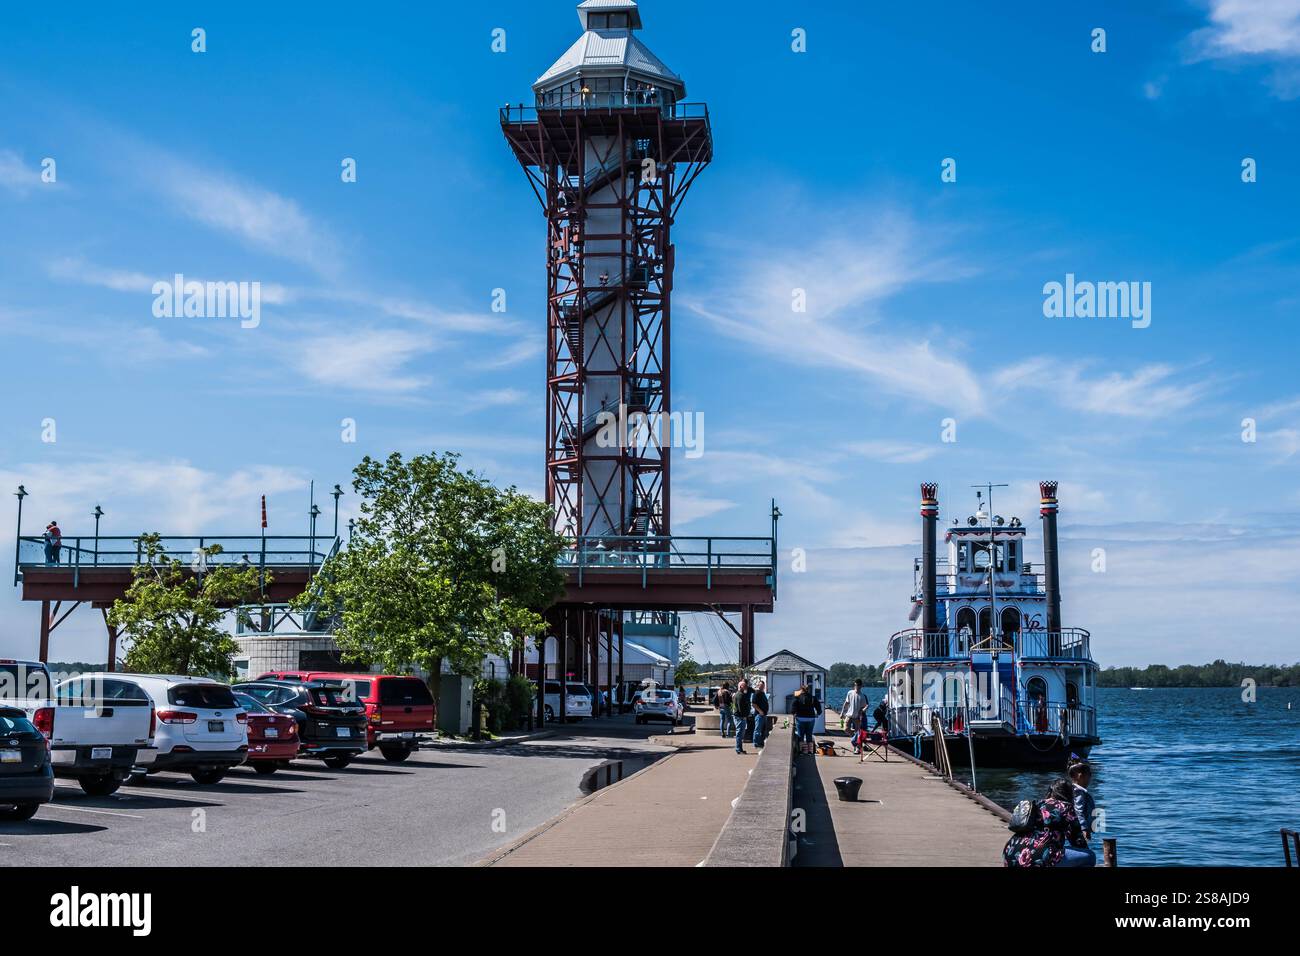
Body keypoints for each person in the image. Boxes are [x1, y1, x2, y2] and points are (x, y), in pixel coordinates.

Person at [1003, 779, 1095, 868]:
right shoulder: (1066, 807)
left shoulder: (1035, 804)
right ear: (1069, 794)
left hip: (1011, 854)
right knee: (1089, 856)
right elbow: (1078, 842)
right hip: (1039, 858)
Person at [1069, 760, 1097, 842]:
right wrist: (1084, 829)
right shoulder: (1079, 792)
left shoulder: (1074, 790)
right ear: (1080, 776)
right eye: (1090, 775)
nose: (1090, 778)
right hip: (1079, 830)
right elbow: (1078, 811)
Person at [791, 683, 822, 755]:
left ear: (801, 690)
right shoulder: (813, 698)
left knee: (800, 736)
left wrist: (794, 714)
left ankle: (801, 751)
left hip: (800, 719)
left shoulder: (797, 698)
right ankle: (810, 752)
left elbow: (793, 710)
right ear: (809, 690)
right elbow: (819, 709)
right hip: (811, 719)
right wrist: (817, 714)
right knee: (809, 735)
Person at [841, 679, 867, 750]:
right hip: (849, 715)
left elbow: (864, 707)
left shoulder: (862, 696)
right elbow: (846, 703)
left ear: (861, 686)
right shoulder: (850, 693)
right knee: (845, 729)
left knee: (858, 732)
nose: (856, 687)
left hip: (857, 717)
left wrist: (862, 711)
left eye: (858, 685)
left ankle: (857, 747)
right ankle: (854, 737)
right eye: (855, 685)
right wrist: (842, 713)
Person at [732, 679, 753, 754]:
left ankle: (739, 748)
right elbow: (741, 708)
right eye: (745, 686)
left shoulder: (738, 694)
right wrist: (746, 715)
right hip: (740, 717)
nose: (746, 687)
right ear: (741, 686)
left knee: (740, 734)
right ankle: (738, 749)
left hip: (739, 716)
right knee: (740, 734)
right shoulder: (740, 695)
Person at [751, 679, 769, 750]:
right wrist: (760, 711)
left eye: (763, 685)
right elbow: (753, 704)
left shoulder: (763, 693)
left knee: (762, 730)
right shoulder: (756, 693)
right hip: (759, 715)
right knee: (757, 730)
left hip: (764, 715)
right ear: (758, 685)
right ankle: (756, 743)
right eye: (760, 685)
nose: (762, 686)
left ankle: (760, 743)